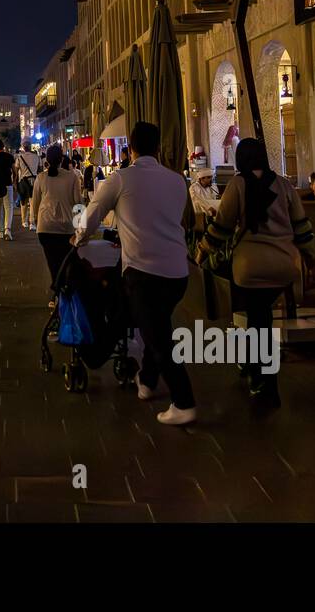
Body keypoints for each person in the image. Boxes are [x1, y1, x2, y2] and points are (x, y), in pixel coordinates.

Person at [75, 122, 195, 426]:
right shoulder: (176, 180)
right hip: (178, 271)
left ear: (131, 148)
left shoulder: (121, 179)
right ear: (157, 147)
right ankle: (148, 380)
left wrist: (79, 238)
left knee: (157, 337)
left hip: (143, 271)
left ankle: (183, 402)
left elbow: (92, 214)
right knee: (156, 324)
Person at [198, 138, 315, 409]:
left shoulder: (238, 185)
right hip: (285, 264)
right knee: (260, 317)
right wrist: (312, 259)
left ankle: (263, 379)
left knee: (257, 319)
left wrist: (203, 250)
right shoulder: (284, 185)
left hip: (249, 268)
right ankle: (255, 368)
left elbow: (222, 226)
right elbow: (302, 227)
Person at [31, 143, 83, 288]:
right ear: (62, 159)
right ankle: (62, 293)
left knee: (53, 263)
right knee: (66, 263)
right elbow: (78, 204)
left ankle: (57, 292)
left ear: (46, 160)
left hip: (45, 227)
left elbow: (35, 202)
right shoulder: (72, 177)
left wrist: (35, 219)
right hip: (66, 228)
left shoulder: (41, 178)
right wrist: (81, 227)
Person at [16, 147, 40, 230]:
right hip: (34, 180)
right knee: (33, 202)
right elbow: (40, 170)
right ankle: (32, 223)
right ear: (30, 147)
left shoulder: (20, 157)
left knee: (23, 201)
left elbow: (16, 170)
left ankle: (24, 221)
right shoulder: (37, 157)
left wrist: (16, 183)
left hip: (23, 181)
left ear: (24, 148)